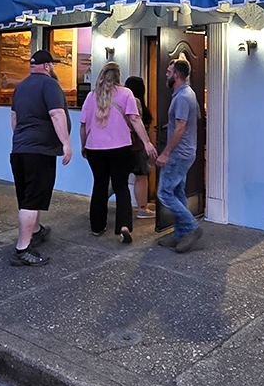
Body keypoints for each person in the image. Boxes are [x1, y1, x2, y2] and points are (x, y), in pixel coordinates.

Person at [80, 63, 157, 243]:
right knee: (121, 186)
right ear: (118, 77)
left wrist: (83, 145)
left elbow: (83, 126)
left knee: (99, 185)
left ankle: (97, 227)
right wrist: (147, 142)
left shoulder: (91, 96)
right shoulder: (126, 93)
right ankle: (123, 226)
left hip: (94, 148)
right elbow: (135, 119)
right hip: (120, 148)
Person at [10, 49, 72, 267]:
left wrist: (22, 139)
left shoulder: (20, 87)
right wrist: (66, 143)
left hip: (20, 150)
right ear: (47, 66)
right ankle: (22, 250)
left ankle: (36, 231)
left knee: (28, 196)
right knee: (32, 200)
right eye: (52, 64)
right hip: (40, 152)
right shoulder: (50, 85)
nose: (53, 67)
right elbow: (56, 113)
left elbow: (14, 117)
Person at [156, 58, 202, 253]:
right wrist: (173, 125)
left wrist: (166, 152)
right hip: (186, 151)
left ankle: (192, 227)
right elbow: (196, 116)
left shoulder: (182, 97)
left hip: (178, 154)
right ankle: (179, 235)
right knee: (177, 192)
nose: (166, 73)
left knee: (164, 193)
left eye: (169, 71)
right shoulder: (188, 93)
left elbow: (181, 127)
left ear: (176, 75)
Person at [124, 75, 154, 218]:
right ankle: (142, 208)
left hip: (124, 143)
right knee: (141, 175)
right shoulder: (135, 101)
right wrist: (147, 142)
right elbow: (136, 121)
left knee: (118, 176)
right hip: (138, 144)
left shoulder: (122, 99)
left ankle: (99, 203)